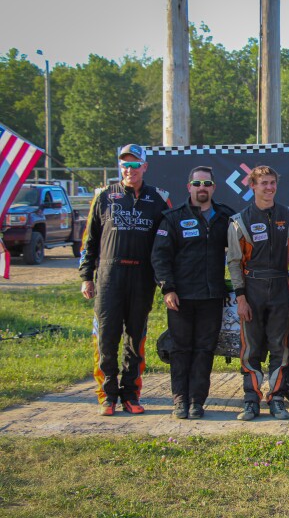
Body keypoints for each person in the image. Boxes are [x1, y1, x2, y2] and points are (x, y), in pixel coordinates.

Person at [79, 144, 171, 416]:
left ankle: (131, 394)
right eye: (124, 165)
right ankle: (107, 396)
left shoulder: (159, 198)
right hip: (109, 275)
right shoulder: (104, 196)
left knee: (136, 339)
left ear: (145, 166)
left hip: (142, 277)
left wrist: (165, 281)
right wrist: (86, 277)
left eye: (134, 164)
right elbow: (89, 241)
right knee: (106, 339)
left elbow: (166, 243)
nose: (129, 170)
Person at [151, 166, 234, 419]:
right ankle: (179, 400)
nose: (202, 188)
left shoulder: (225, 217)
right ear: (189, 187)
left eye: (207, 183)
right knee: (180, 349)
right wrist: (168, 289)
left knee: (204, 350)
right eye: (197, 184)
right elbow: (160, 256)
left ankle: (197, 401)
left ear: (213, 187)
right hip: (181, 298)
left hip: (211, 297)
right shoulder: (173, 217)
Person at [227, 165, 289, 421]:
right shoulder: (240, 220)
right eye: (263, 183)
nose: (269, 187)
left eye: (272, 182)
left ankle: (277, 399)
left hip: (281, 286)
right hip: (252, 288)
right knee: (251, 348)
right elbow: (234, 263)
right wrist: (240, 297)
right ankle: (251, 400)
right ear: (252, 186)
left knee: (280, 347)